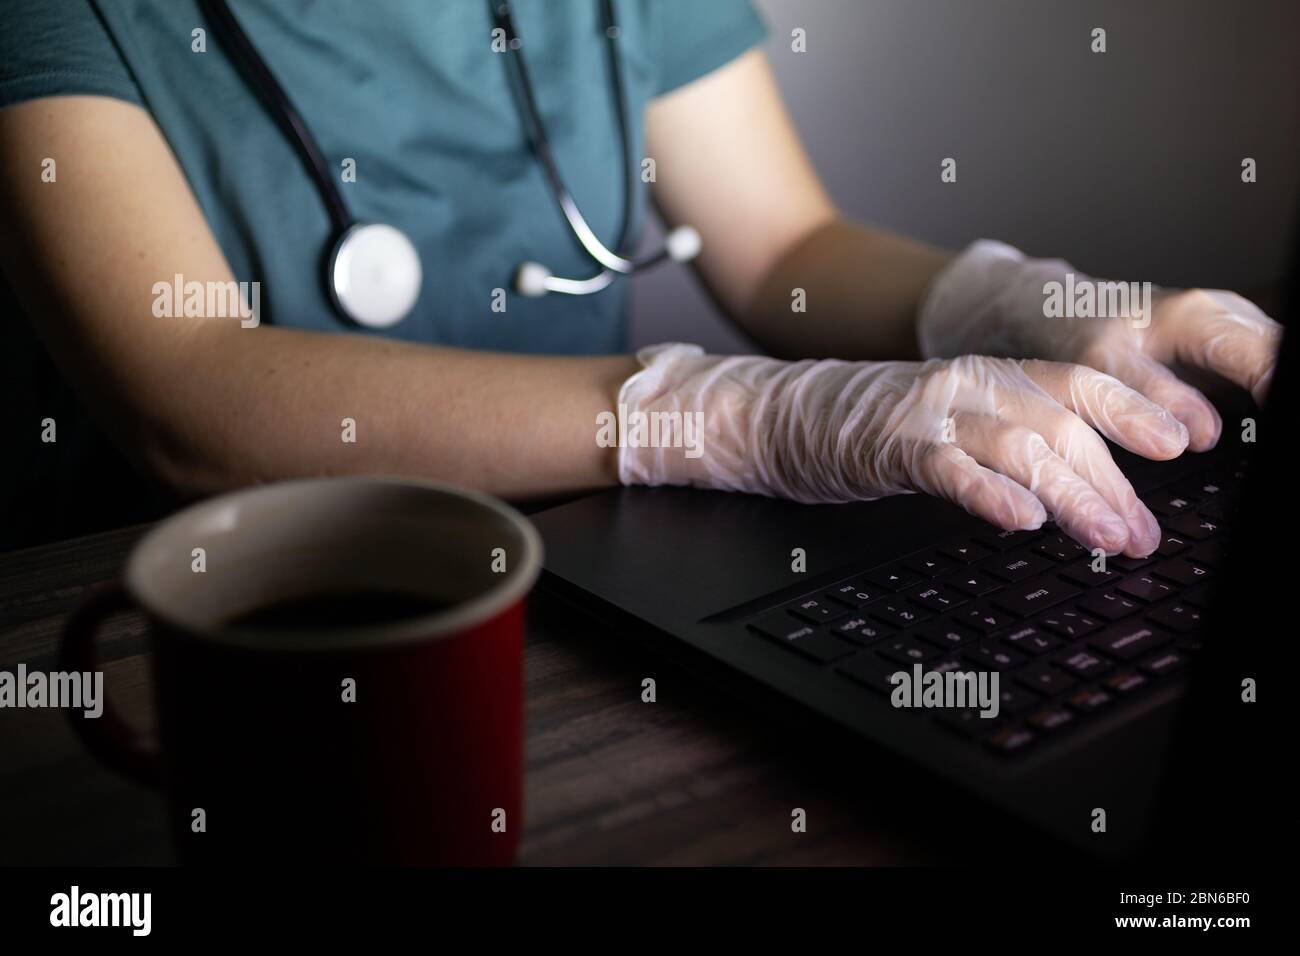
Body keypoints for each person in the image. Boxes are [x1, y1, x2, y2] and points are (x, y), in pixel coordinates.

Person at [0, 0, 1280, 554]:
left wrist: (1033, 306)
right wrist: (730, 417)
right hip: (186, 626)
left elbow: (780, 246)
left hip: (568, 566)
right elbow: (186, 391)